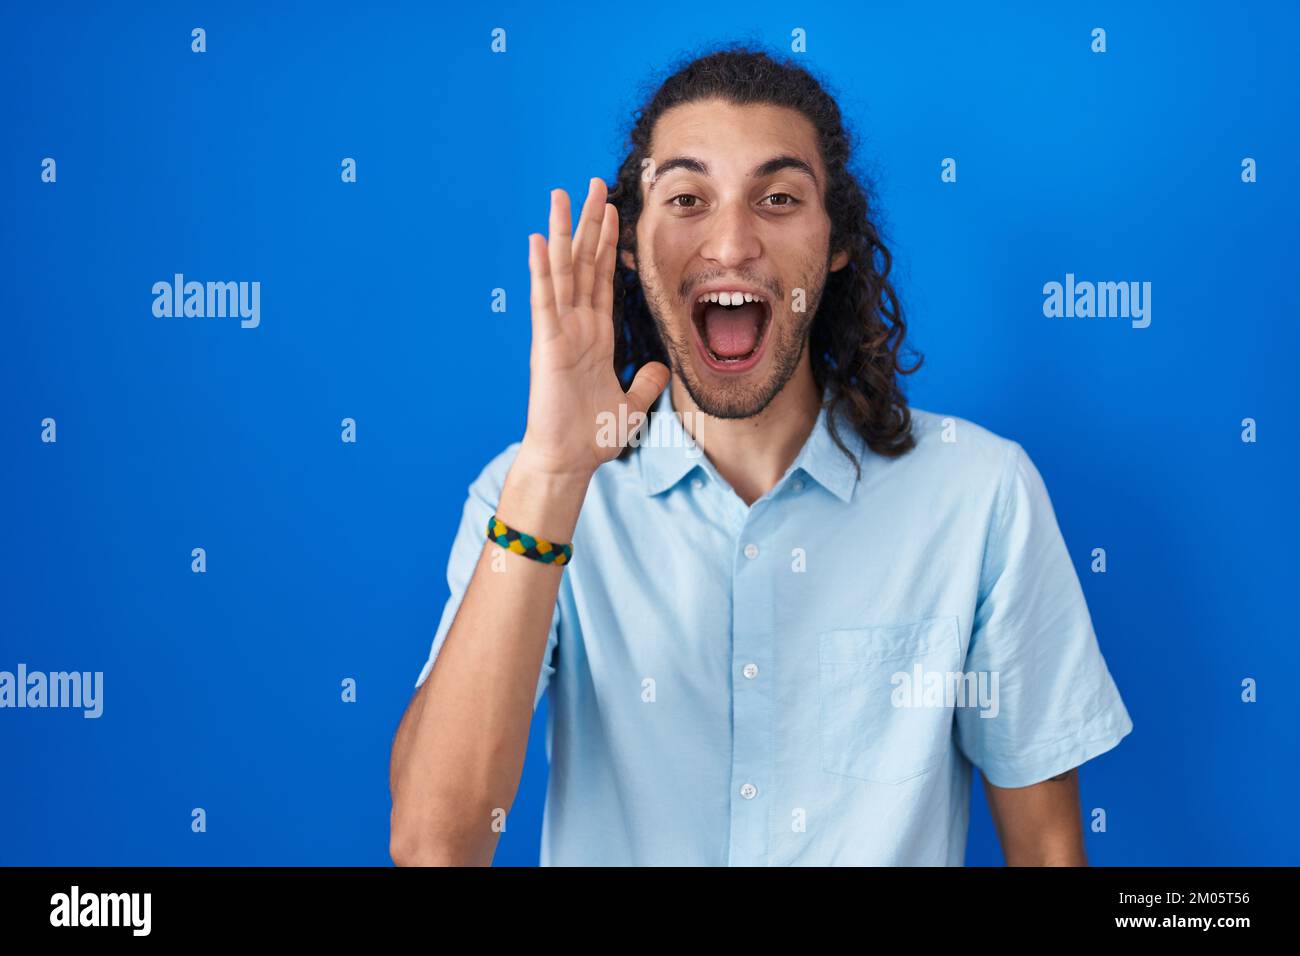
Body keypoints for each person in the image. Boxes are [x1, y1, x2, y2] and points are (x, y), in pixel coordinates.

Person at [388, 47, 1133, 866]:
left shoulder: (981, 493)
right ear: (630, 246)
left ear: (837, 241)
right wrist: (554, 477)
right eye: (686, 198)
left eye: (778, 198)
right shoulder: (527, 493)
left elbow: (1051, 850)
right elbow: (434, 845)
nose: (733, 243)